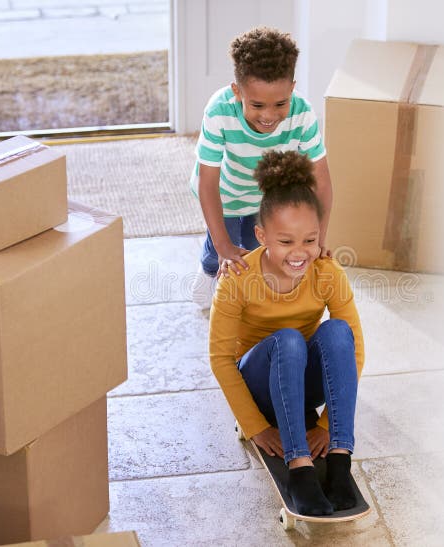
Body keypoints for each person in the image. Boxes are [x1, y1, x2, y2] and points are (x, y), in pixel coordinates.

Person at [209, 150, 363, 516]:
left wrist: (327, 425)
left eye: (309, 240)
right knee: (290, 339)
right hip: (260, 383)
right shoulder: (237, 279)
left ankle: (341, 460)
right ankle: (300, 468)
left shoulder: (327, 271)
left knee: (339, 332)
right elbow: (219, 358)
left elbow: (353, 352)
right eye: (286, 241)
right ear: (261, 235)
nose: (300, 252)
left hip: (301, 384)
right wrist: (255, 426)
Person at [189, 26, 333, 309]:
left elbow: (322, 183)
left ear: (292, 88)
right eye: (257, 105)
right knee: (223, 246)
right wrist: (222, 248)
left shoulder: (302, 113)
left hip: (267, 198)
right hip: (225, 196)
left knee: (255, 251)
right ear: (238, 92)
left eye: (280, 103)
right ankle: (207, 267)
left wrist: (319, 240)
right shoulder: (219, 111)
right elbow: (208, 183)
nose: (269, 116)